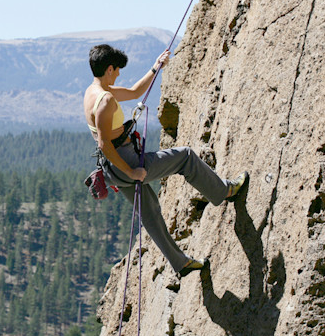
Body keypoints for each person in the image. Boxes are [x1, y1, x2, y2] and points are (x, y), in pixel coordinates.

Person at [84, 44, 248, 277]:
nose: (119, 73)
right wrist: (132, 173)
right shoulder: (106, 100)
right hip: (126, 162)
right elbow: (104, 144)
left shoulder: (93, 92)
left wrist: (155, 67)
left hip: (112, 168)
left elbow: (133, 92)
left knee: (150, 212)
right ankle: (224, 191)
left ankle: (180, 263)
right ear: (109, 69)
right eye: (117, 69)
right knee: (186, 157)